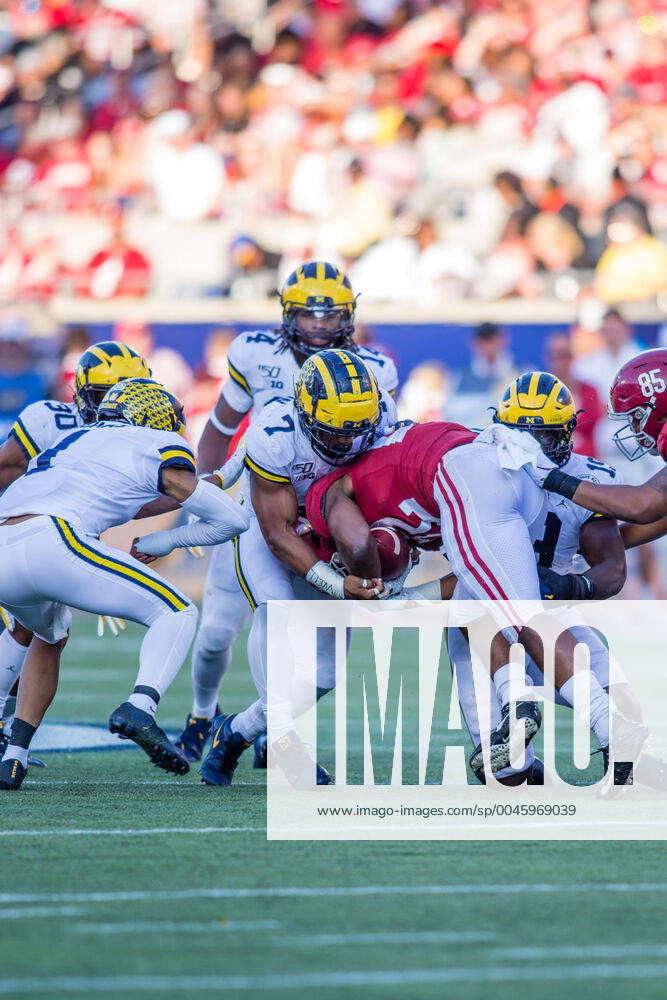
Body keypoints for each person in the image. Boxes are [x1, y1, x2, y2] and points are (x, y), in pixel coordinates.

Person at [304, 372, 645, 784]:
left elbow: (612, 566)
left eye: (546, 436)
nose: (532, 447)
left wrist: (568, 585)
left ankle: (559, 714)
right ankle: (525, 712)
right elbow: (472, 575)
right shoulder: (477, 471)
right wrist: (405, 594)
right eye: (523, 434)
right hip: (490, 626)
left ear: (569, 431)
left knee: (622, 700)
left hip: (555, 612)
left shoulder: (486, 466)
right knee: (506, 772)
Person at [175, 262, 397, 764]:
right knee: (220, 632)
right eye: (308, 313)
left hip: (327, 510)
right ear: (287, 313)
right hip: (263, 500)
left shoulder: (377, 373)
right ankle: (207, 716)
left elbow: (380, 459)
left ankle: (260, 728)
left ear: (350, 314)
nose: (319, 323)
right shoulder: (256, 362)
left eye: (330, 313)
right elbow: (220, 426)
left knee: (324, 662)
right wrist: (199, 502)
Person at [0, 377, 249, 790]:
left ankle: (13, 755)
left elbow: (146, 500)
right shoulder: (153, 442)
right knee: (178, 611)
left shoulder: (80, 437)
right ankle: (140, 705)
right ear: (157, 418)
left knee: (48, 634)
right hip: (51, 539)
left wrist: (219, 478)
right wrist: (165, 540)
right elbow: (230, 518)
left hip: (5, 541)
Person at [0, 341, 151, 760]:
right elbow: (6, 469)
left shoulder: (141, 439)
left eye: (130, 392)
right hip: (22, 533)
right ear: (82, 396)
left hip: (61, 539)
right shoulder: (51, 419)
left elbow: (129, 502)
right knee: (29, 629)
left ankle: (10, 739)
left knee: (42, 632)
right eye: (107, 396)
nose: (119, 405)